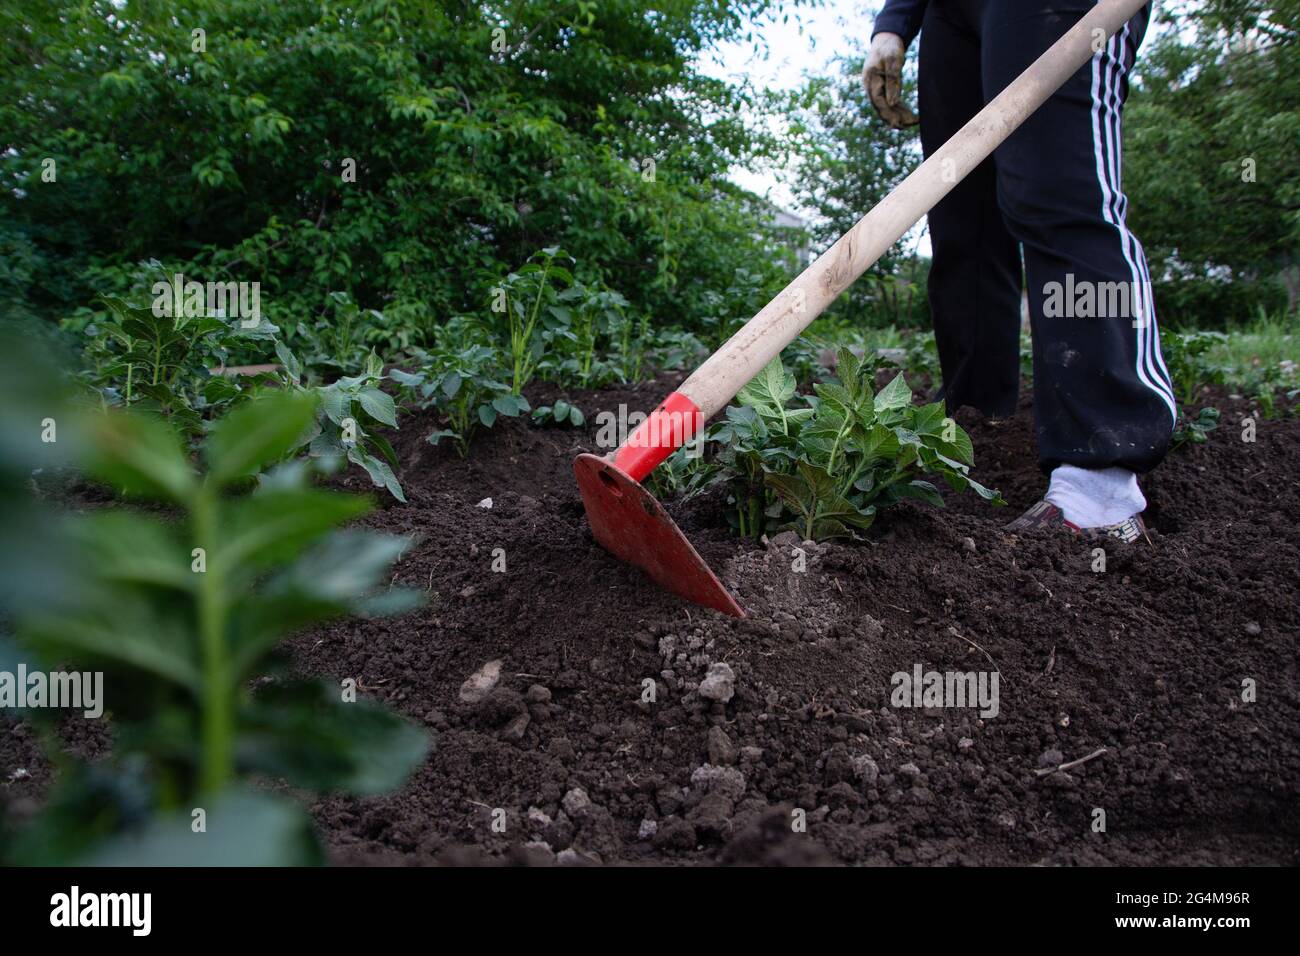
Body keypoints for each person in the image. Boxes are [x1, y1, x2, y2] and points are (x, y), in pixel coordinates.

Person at [864, 0, 1173, 542]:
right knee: (963, 219)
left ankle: (1099, 482)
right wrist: (894, 23)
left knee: (1057, 193)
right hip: (951, 11)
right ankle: (981, 429)